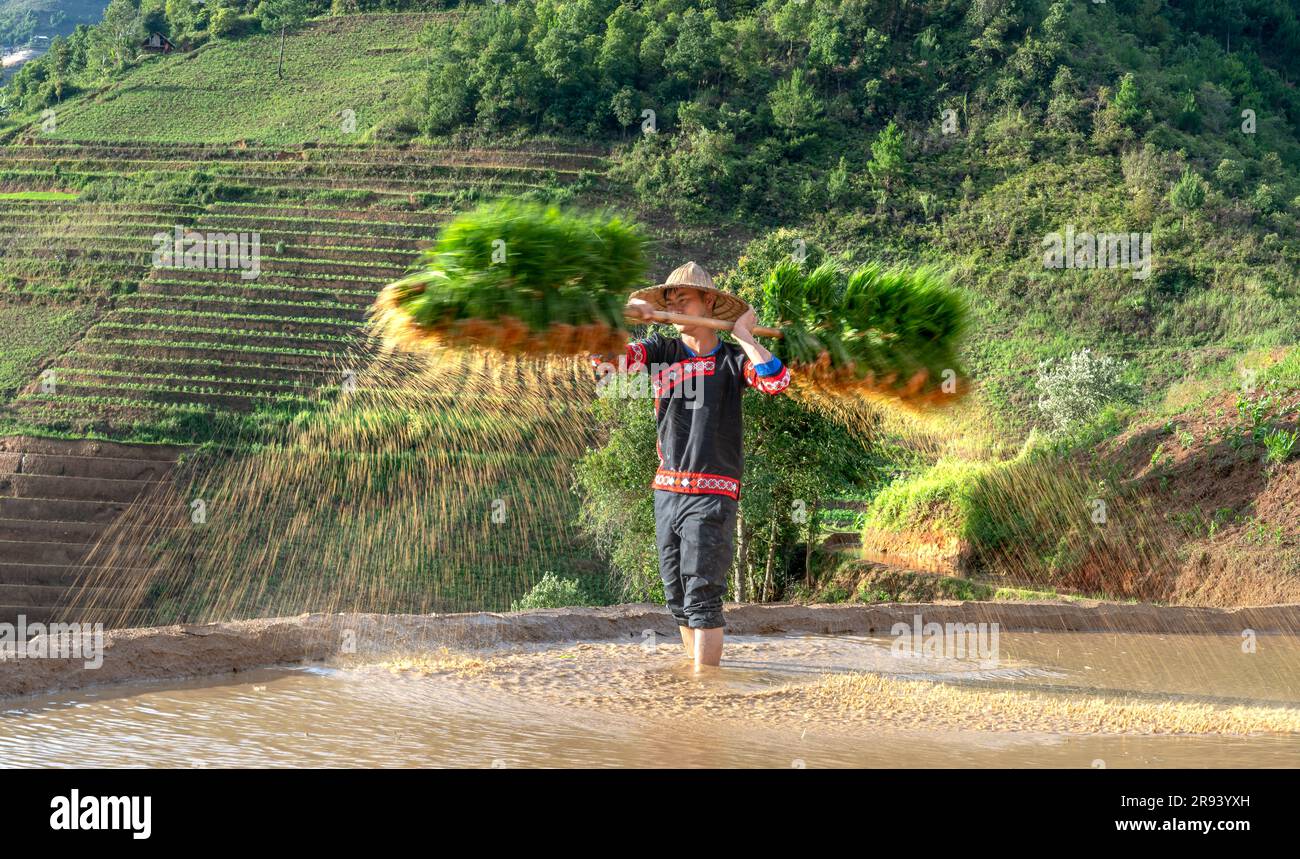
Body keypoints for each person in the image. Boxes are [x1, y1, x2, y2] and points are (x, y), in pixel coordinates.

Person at [591, 261, 792, 672]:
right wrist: (620, 319)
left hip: (712, 491)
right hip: (667, 490)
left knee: (702, 595)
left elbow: (777, 381)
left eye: (683, 299)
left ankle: (706, 692)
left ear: (709, 303)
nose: (674, 305)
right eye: (669, 301)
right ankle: (695, 674)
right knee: (677, 595)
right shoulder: (660, 351)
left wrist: (745, 335)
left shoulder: (735, 361)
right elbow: (606, 366)